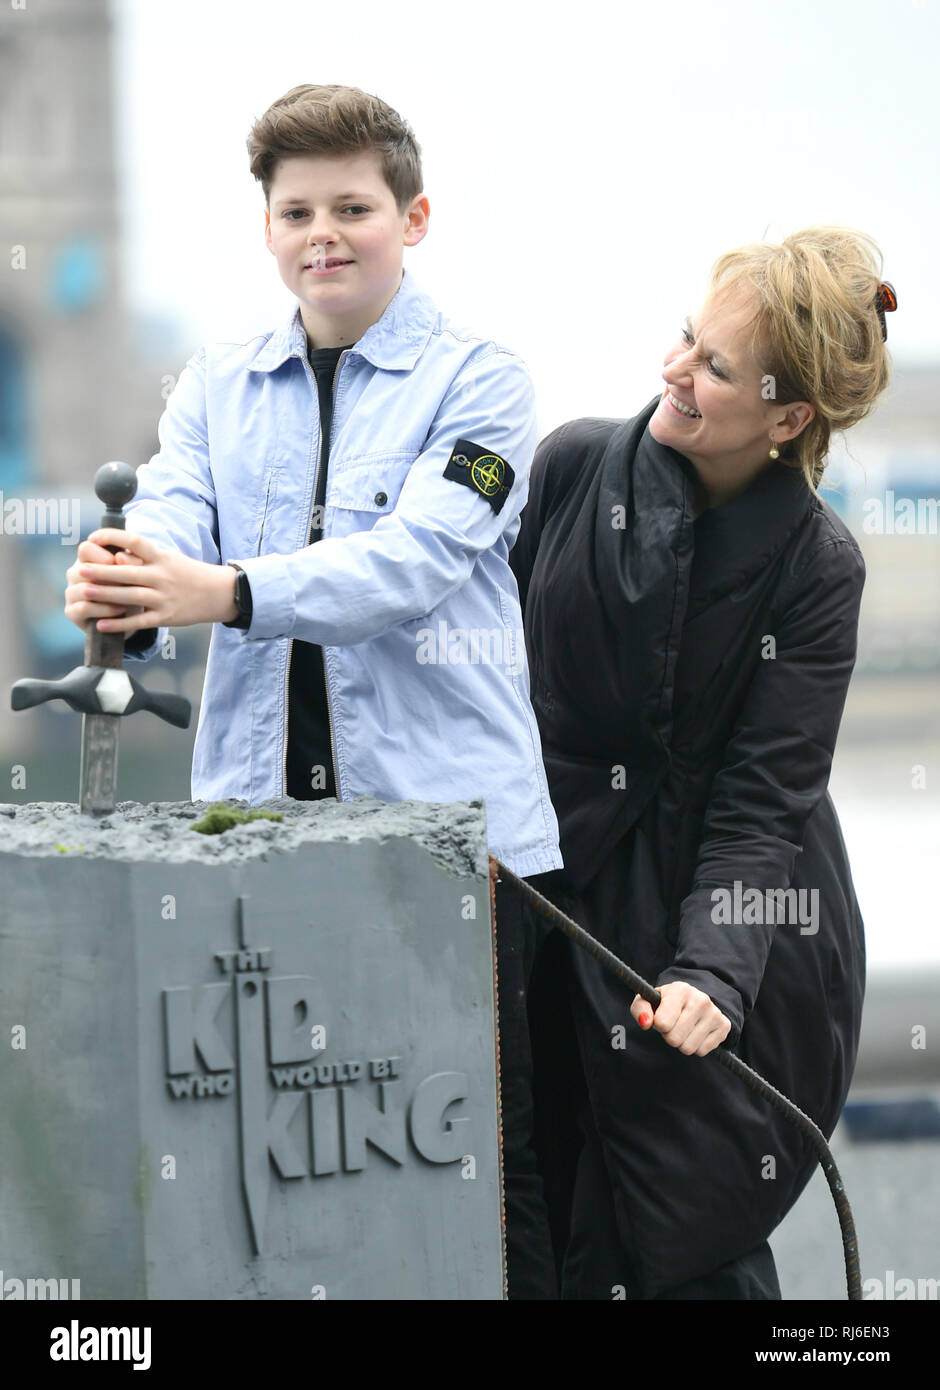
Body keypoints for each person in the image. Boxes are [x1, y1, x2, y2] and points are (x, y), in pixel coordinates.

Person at [62, 84, 562, 1295]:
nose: (324, 232)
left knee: (484, 1173)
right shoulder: (214, 386)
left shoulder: (483, 384)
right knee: (282, 1169)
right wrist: (123, 575)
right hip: (261, 842)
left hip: (463, 857)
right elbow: (172, 522)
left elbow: (413, 564)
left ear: (416, 216)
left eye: (354, 206)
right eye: (298, 211)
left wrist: (220, 592)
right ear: (268, 229)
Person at [509, 226, 894, 1299]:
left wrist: (713, 973)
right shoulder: (572, 467)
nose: (675, 369)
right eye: (686, 337)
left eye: (715, 366)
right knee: (528, 1214)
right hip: (549, 909)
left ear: (788, 417)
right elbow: (485, 689)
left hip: (729, 943)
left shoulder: (818, 570)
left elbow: (762, 803)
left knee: (682, 1242)